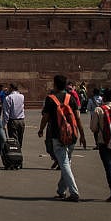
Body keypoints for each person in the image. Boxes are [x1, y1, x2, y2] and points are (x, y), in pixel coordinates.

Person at [38, 74, 87, 202]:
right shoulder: (71, 98)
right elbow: (77, 118)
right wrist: (82, 135)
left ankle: (74, 192)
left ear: (54, 84)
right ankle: (61, 190)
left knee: (64, 163)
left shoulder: (50, 99)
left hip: (57, 135)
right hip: (72, 134)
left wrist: (41, 129)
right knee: (67, 162)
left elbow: (45, 117)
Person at [2, 83, 26, 149]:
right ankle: (19, 151)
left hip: (12, 121)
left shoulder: (8, 98)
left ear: (11, 88)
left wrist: (4, 124)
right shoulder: (22, 96)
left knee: (14, 141)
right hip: (21, 120)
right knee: (20, 139)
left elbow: (6, 112)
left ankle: (15, 153)